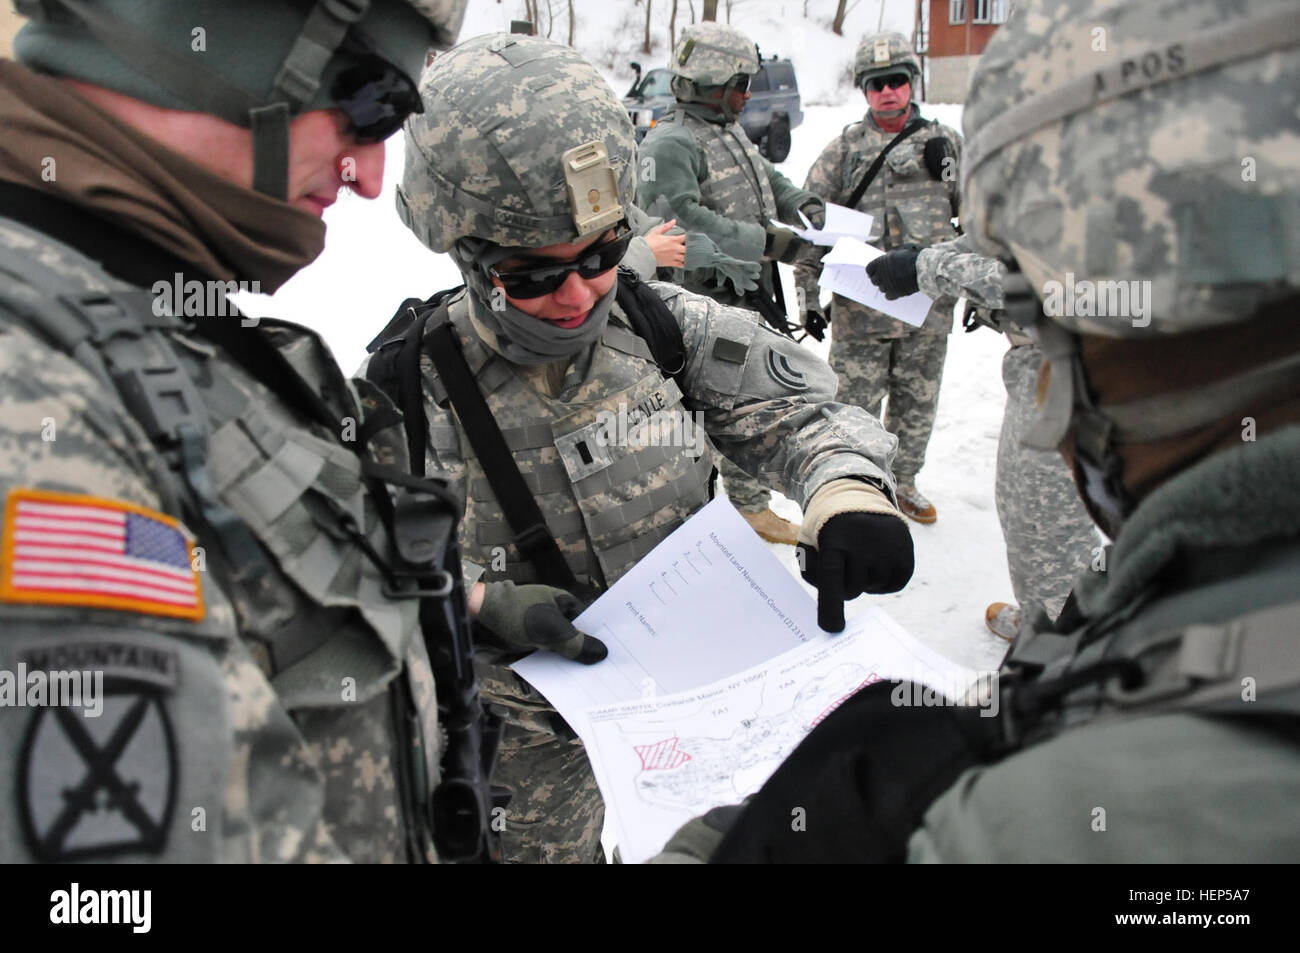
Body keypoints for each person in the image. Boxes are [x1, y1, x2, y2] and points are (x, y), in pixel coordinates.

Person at [655, 0, 1300, 863]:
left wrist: (758, 836)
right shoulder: (703, 142)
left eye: (1046, 333)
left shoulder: (1043, 811)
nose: (1048, 420)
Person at [374, 33, 916, 863]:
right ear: (465, 254)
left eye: (599, 254)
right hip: (525, 740)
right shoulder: (406, 390)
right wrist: (479, 603)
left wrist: (845, 492)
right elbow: (352, 560)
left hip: (707, 709)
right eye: (533, 275)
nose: (581, 291)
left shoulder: (657, 326)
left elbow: (805, 414)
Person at [0, 0, 478, 863]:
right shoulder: (31, 396)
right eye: (371, 106)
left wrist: (466, 610)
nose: (371, 175)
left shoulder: (145, 310)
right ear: (230, 54)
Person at [636, 22, 827, 546]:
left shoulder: (725, 128)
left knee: (755, 398)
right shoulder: (671, 141)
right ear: (713, 82)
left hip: (748, 289)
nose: (747, 96)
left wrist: (799, 203)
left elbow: (768, 178)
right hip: (709, 301)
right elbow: (682, 221)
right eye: (741, 84)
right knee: (730, 405)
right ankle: (734, 510)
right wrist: (770, 241)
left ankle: (749, 505)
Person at [869, 235, 1097, 640]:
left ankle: (1060, 648)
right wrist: (935, 253)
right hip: (1050, 364)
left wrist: (930, 267)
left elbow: (1060, 284)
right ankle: (1044, 616)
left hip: (1084, 367)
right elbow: (1008, 233)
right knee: (1030, 509)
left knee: (1048, 523)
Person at [794, 31, 962, 525]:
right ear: (864, 91)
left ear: (911, 83)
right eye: (875, 84)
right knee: (850, 412)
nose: (887, 92)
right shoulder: (844, 150)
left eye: (896, 81)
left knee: (917, 408)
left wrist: (983, 293)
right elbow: (810, 226)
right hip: (860, 316)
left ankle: (904, 481)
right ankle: (855, 489)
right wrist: (806, 296)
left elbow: (978, 221)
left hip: (927, 312)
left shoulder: (945, 145)